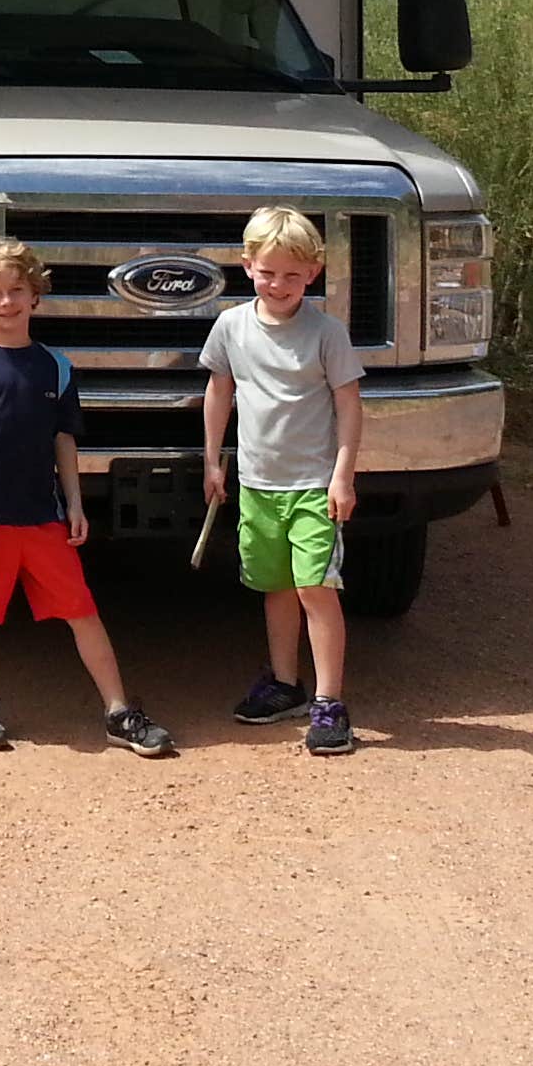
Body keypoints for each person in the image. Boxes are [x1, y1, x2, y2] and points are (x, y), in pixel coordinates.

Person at [0, 238, 177, 755]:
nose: (6, 302)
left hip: (44, 518)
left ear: (35, 295)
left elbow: (63, 440)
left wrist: (75, 502)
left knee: (81, 610)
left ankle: (118, 710)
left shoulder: (56, 368)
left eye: (16, 290)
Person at [201, 206, 366, 754]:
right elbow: (220, 391)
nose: (279, 284)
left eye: (292, 275)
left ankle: (329, 701)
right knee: (274, 586)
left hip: (313, 484)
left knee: (315, 587)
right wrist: (211, 460)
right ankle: (283, 684)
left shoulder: (326, 332)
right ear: (247, 266)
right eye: (268, 272)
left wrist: (342, 477)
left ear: (312, 274)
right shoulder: (231, 326)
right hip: (257, 483)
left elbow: (349, 405)